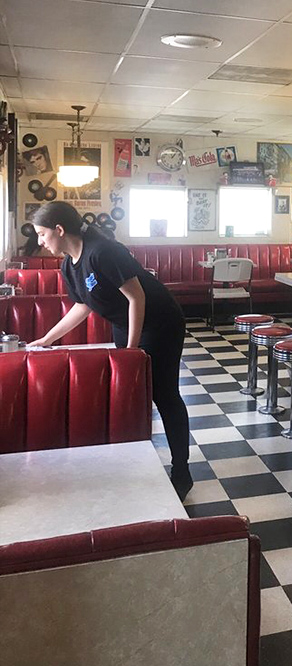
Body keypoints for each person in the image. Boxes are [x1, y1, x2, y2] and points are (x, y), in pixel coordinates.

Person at [29, 201, 193, 500]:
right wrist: (48, 338)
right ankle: (139, 460)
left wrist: (130, 351)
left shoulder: (103, 251)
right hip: (125, 323)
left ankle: (181, 469)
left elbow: (137, 297)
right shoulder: (69, 264)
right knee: (132, 390)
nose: (39, 241)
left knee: (164, 394)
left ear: (59, 229)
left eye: (42, 234)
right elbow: (83, 306)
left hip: (159, 321)